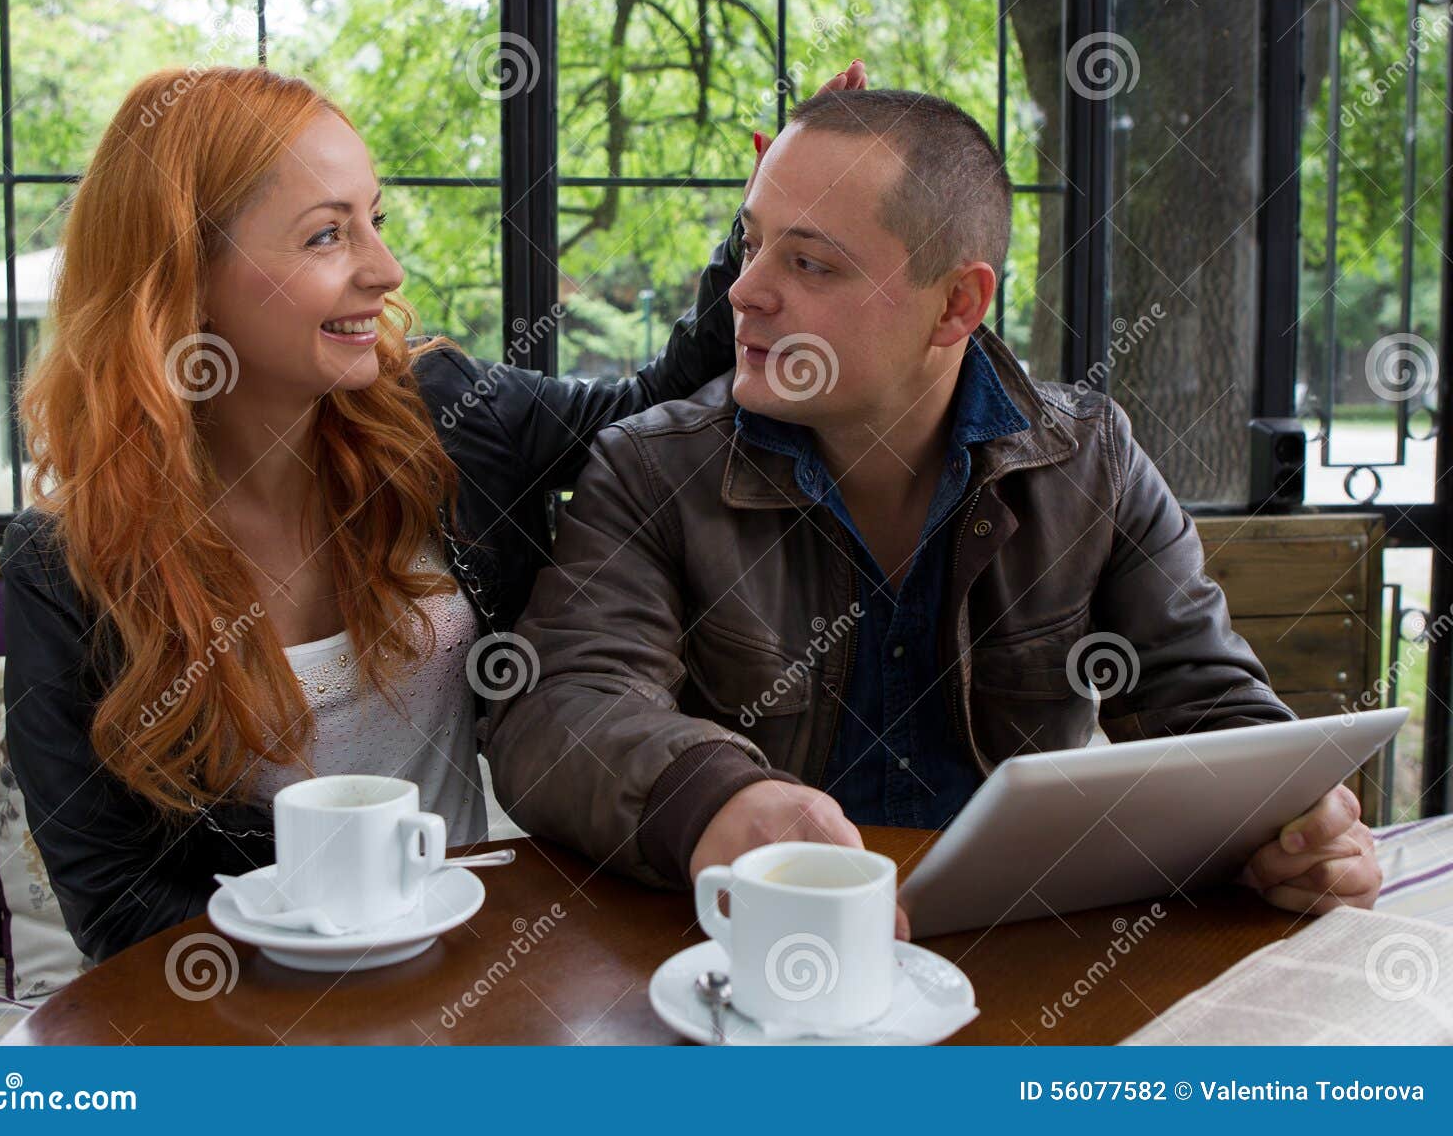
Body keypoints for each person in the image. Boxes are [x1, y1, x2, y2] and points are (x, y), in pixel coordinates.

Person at [487, 86, 1382, 934]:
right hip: (760, 966)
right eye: (751, 242)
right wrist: (716, 800)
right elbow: (562, 709)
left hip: (1029, 965)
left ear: (957, 303)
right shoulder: (653, 466)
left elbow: (1210, 704)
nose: (745, 291)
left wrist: (1300, 830)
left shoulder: (1090, 459)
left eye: (808, 262)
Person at [1, 61, 766, 963]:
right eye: (327, 236)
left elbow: (652, 406)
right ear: (185, 277)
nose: (386, 269)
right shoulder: (66, 560)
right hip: (254, 1020)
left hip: (475, 970)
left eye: (377, 220)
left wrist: (758, 234)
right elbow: (116, 907)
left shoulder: (443, 412)